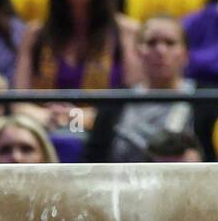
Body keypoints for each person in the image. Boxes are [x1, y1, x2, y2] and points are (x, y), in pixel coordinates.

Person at [14, 0, 141, 125]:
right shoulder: (34, 34)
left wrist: (75, 118)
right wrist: (51, 118)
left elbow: (133, 103)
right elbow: (18, 103)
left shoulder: (126, 32)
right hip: (44, 131)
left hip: (102, 136)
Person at [83, 16, 197, 163]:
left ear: (185, 53)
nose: (160, 50)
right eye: (151, 43)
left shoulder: (209, 99)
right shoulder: (113, 101)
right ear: (138, 51)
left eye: (170, 43)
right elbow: (91, 162)